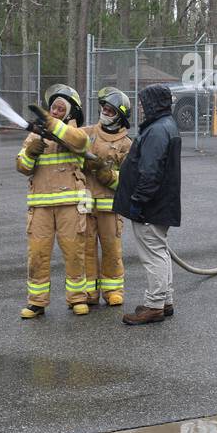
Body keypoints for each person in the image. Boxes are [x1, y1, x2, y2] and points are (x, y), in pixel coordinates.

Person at [17, 85, 91, 319]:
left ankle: (77, 298)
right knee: (37, 253)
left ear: (70, 113)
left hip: (70, 205)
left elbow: (80, 143)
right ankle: (37, 302)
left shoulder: (75, 133)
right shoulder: (34, 135)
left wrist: (53, 125)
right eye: (53, 107)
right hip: (40, 207)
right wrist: (30, 153)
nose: (56, 110)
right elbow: (21, 166)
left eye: (61, 108)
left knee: (74, 253)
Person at [113, 84, 182, 325]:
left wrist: (137, 202)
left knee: (153, 256)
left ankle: (154, 306)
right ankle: (164, 301)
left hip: (151, 207)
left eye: (143, 104)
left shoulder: (157, 130)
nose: (140, 108)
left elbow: (150, 172)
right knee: (159, 253)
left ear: (154, 104)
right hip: (160, 205)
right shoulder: (163, 125)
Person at [82, 87, 134, 307]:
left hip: (110, 207)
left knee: (111, 249)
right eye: (104, 108)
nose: (105, 112)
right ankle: (88, 292)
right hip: (84, 205)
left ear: (120, 116)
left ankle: (113, 290)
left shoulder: (126, 144)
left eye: (110, 110)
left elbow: (129, 181)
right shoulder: (88, 133)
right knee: (86, 249)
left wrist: (108, 175)